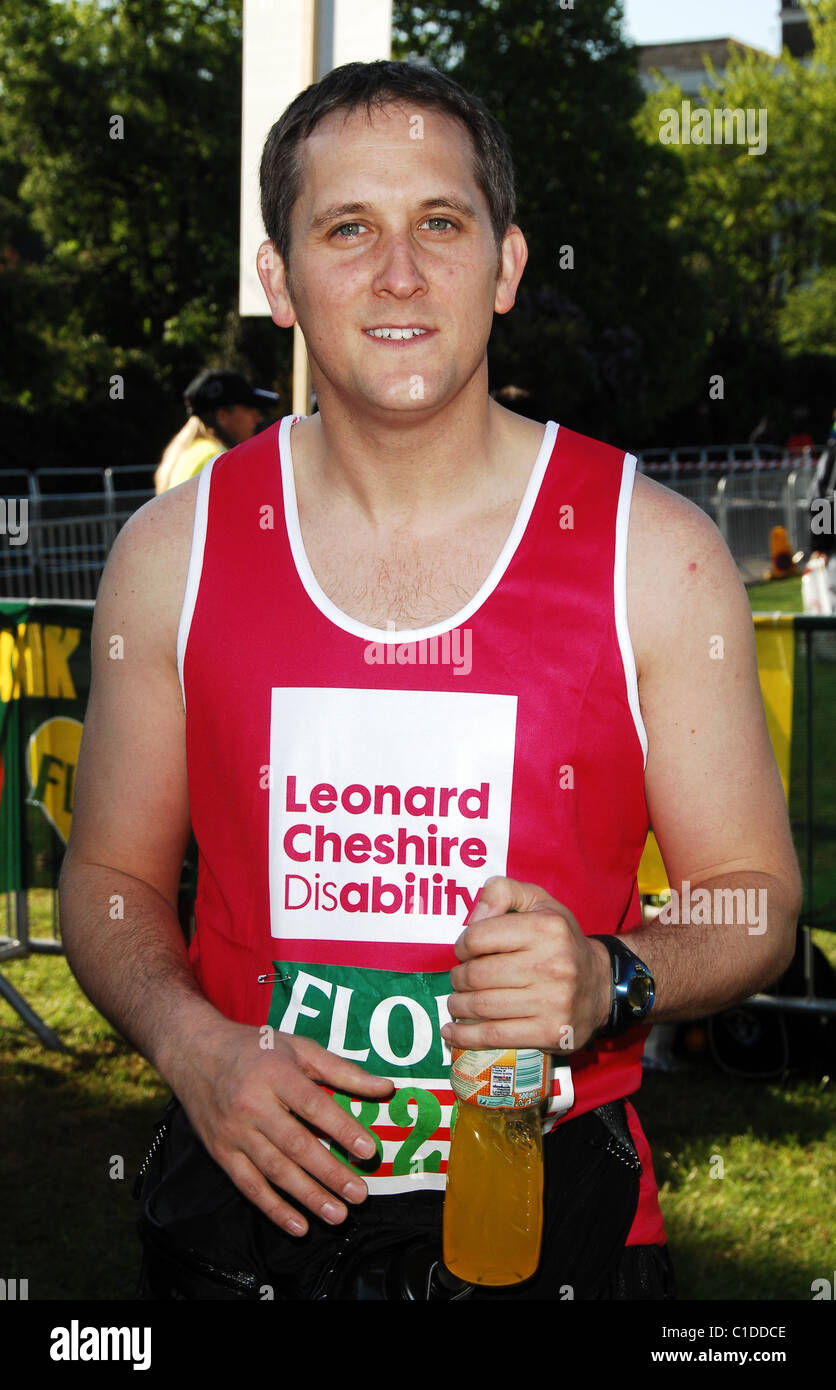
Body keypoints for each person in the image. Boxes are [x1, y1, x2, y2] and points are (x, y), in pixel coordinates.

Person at [58, 59, 801, 1301]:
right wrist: (193, 1047)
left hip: (555, 1231)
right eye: (347, 228)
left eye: (438, 224)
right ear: (277, 279)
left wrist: (612, 975)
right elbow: (108, 877)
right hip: (240, 1227)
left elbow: (753, 896)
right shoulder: (169, 553)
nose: (397, 273)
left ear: (506, 265)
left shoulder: (651, 550)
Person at [153, 369, 278, 494]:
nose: (257, 418)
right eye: (250, 409)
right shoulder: (215, 460)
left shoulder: (191, 453)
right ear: (222, 415)